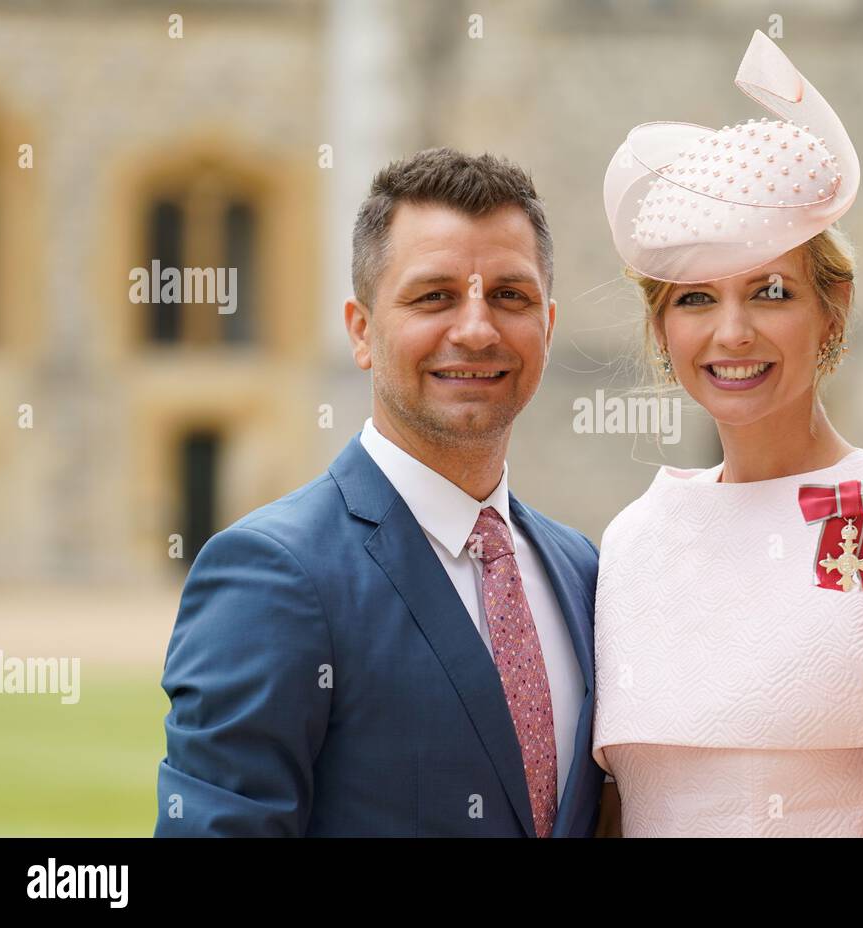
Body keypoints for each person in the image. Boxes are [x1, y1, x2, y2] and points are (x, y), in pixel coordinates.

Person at [591, 30, 863, 837]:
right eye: (693, 299)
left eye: (770, 292)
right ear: (662, 333)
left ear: (834, 309)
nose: (731, 333)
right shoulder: (630, 543)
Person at [155, 148, 604, 837]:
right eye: (434, 296)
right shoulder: (273, 573)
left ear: (545, 325)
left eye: (509, 296)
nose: (477, 329)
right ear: (362, 331)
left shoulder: (580, 570)